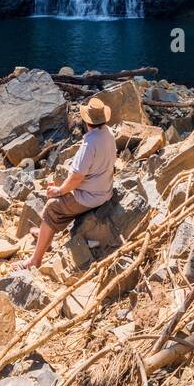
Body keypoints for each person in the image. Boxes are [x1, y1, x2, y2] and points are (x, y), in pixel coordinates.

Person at [20, 95, 116, 271]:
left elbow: (77, 178)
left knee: (52, 206)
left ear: (87, 122)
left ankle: (36, 259)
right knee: (57, 192)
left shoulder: (90, 143)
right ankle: (44, 235)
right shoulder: (108, 133)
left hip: (90, 196)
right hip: (104, 189)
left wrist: (60, 191)